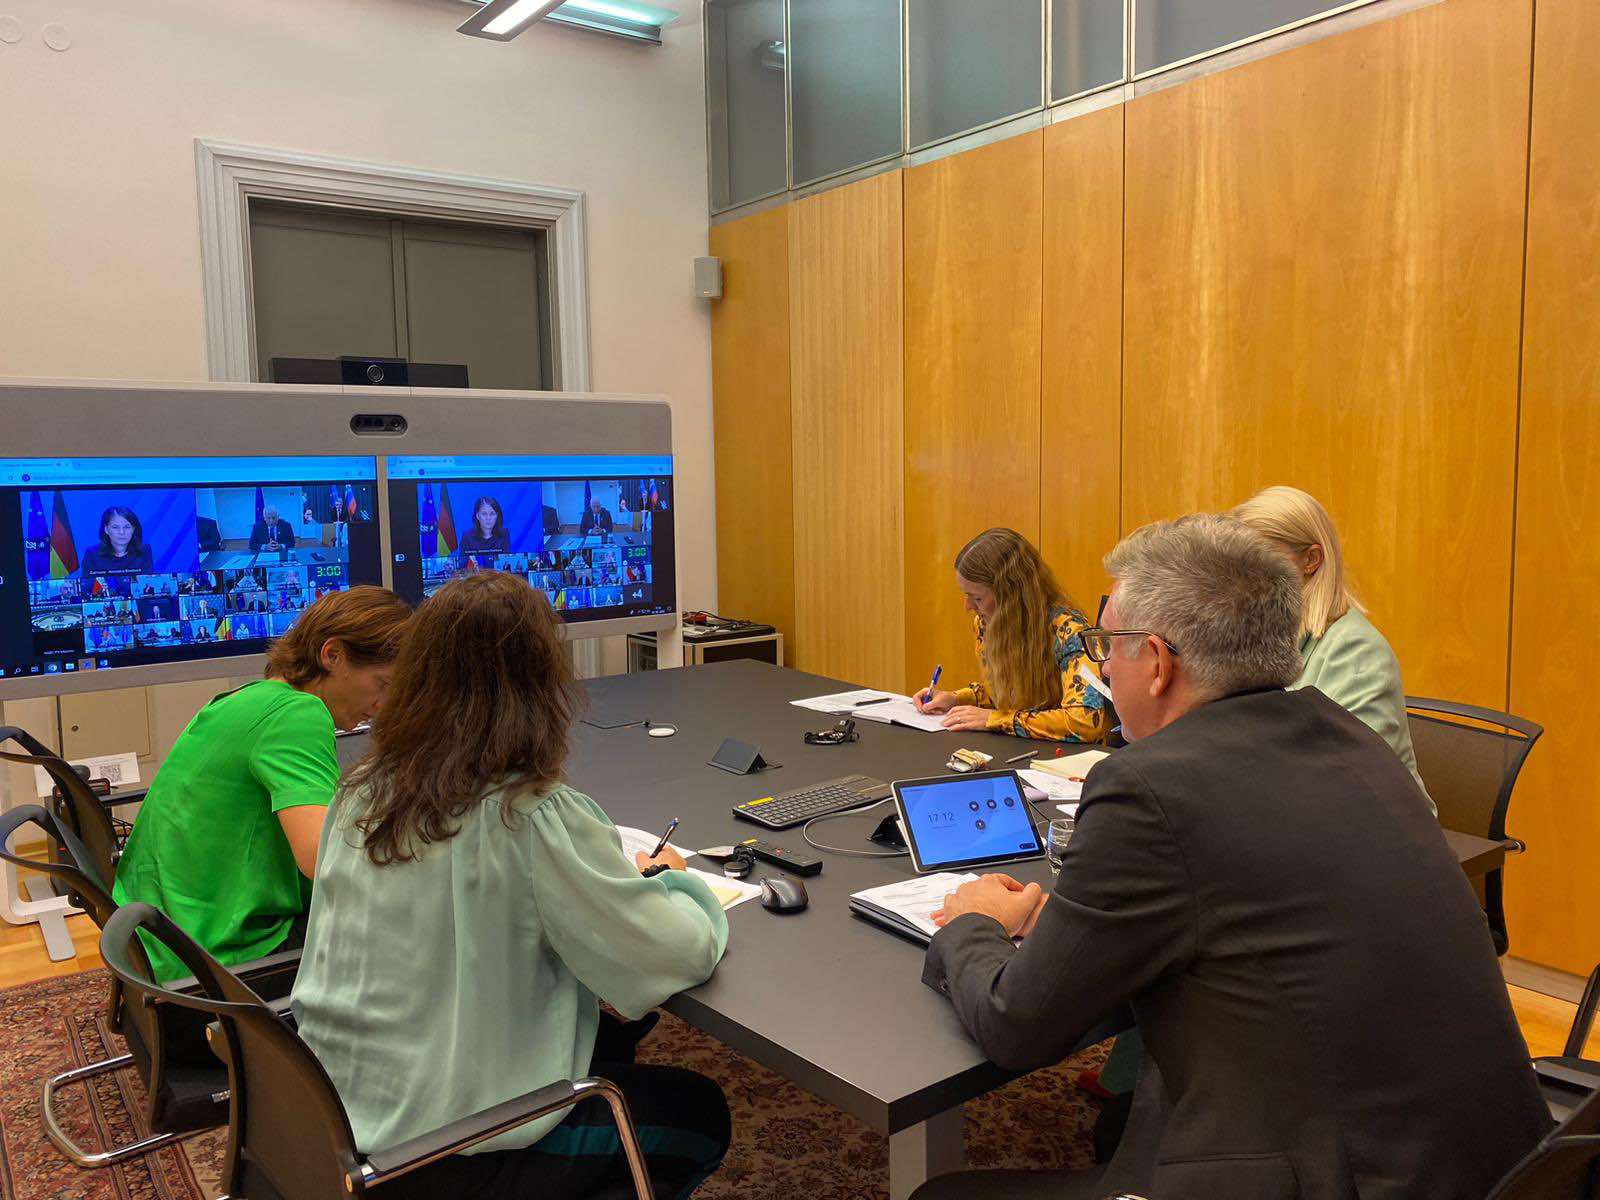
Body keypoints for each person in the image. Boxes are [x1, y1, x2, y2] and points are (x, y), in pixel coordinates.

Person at [913, 515, 1551, 1200]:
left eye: (1109, 647)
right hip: (1507, 1168)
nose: (1101, 668)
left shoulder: (1148, 788)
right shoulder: (1350, 740)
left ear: (1156, 664)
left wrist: (973, 925)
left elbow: (1018, 1026)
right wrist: (1079, 927)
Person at [292, 572, 731, 1199]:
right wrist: (680, 889)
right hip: (449, 1152)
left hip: (336, 1116)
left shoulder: (361, 791)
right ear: (541, 686)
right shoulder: (529, 814)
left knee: (611, 1033)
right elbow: (668, 956)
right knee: (699, 1114)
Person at [112, 586, 412, 982]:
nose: (384, 705)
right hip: (217, 956)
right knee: (412, 926)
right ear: (333, 655)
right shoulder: (299, 714)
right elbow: (323, 859)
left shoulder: (246, 698)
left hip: (157, 938)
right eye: (383, 684)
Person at [1233, 485, 1432, 809]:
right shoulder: (1259, 639)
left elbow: (1352, 780)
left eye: (1259, 560)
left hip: (1375, 833)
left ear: (1311, 559)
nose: (1242, 578)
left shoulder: (1357, 652)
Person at [913, 528, 1108, 742]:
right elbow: (1011, 696)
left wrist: (998, 719)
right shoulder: (987, 623)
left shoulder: (1069, 630)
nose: (968, 607)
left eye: (977, 598)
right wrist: (956, 699)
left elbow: (1086, 722)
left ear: (1011, 597)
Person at [79, 505, 154, 575]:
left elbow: (148, 582)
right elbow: (87, 586)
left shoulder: (144, 551)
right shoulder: (92, 554)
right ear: (106, 530)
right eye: (115, 527)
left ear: (133, 529)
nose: (122, 532)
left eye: (127, 527)